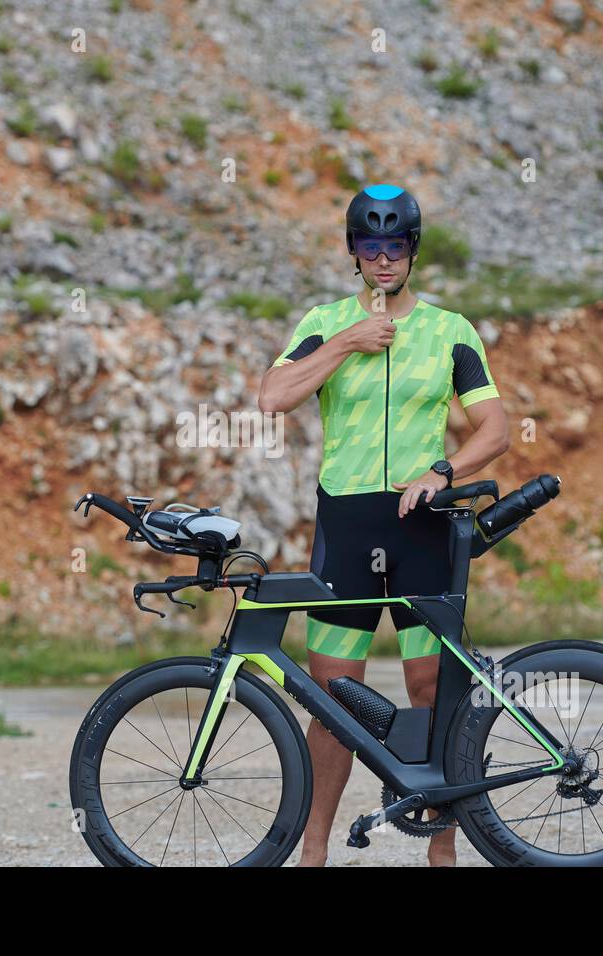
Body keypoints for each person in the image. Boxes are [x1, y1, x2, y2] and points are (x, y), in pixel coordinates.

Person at [257, 184, 510, 866]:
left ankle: (442, 854)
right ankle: (313, 855)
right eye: (371, 246)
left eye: (395, 245)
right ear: (352, 252)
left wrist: (445, 473)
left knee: (435, 695)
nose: (384, 259)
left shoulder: (451, 330)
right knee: (334, 701)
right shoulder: (324, 320)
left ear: (413, 250)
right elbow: (273, 396)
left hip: (422, 525)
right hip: (348, 525)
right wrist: (347, 340)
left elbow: (497, 428)